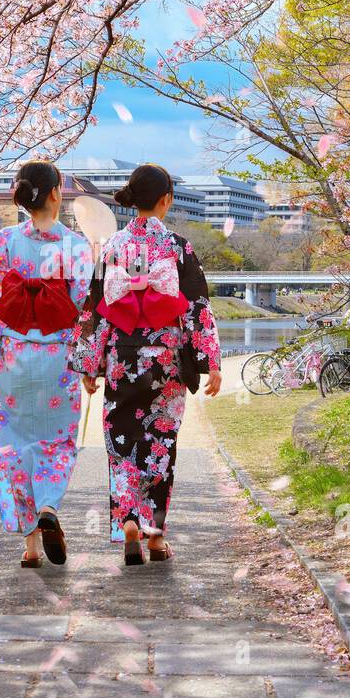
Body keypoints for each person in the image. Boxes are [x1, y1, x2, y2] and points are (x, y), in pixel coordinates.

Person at [71, 163, 222, 565]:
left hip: (123, 356)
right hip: (166, 360)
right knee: (161, 443)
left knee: (122, 442)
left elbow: (95, 309)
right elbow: (197, 308)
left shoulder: (112, 247)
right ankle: (154, 536)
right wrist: (212, 362)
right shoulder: (178, 247)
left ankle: (128, 523)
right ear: (166, 200)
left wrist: (90, 364)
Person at [0, 160, 93, 568]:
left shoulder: (4, 241)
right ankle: (50, 507)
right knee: (56, 444)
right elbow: (86, 308)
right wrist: (85, 359)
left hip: (14, 361)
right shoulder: (75, 246)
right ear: (57, 194)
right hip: (57, 360)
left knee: (12, 448)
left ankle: (31, 548)